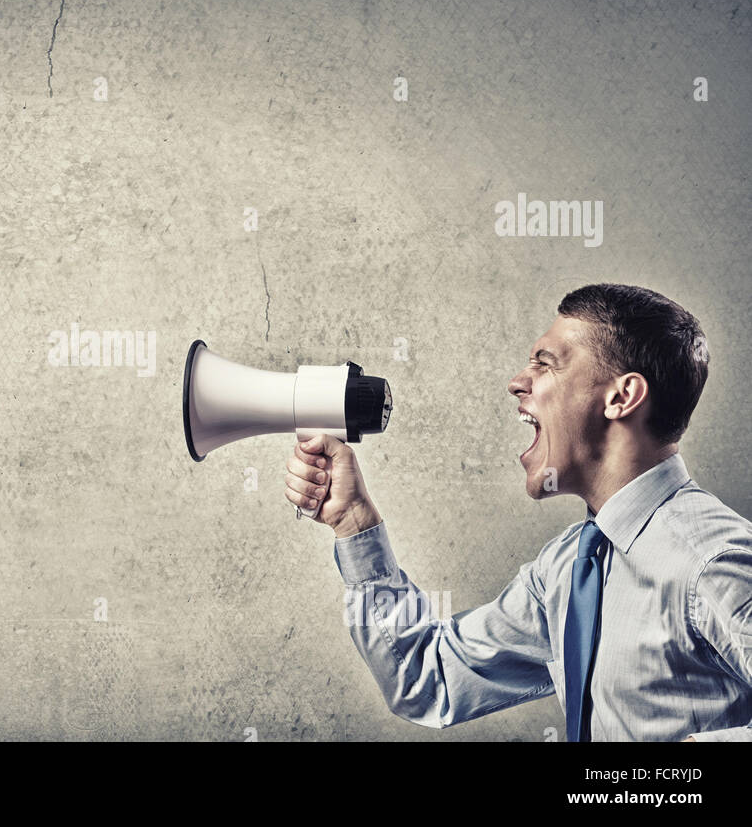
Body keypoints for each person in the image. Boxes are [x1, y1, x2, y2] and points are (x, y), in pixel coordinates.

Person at [285, 284, 751, 741]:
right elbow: (429, 679)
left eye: (545, 364)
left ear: (621, 397)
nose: (517, 382)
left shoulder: (712, 560)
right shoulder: (568, 568)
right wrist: (354, 523)